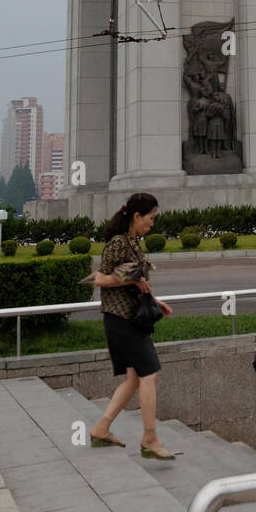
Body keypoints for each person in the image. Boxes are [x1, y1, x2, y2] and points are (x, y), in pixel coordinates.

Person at [89, 193, 174, 460]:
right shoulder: (118, 243)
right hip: (122, 320)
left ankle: (101, 429)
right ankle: (150, 438)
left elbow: (135, 280)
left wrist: (154, 300)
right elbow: (100, 279)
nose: (152, 224)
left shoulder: (131, 242)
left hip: (128, 318)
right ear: (136, 216)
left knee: (135, 377)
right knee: (149, 374)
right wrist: (133, 283)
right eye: (150, 218)